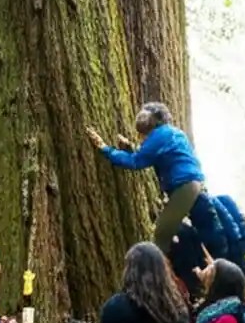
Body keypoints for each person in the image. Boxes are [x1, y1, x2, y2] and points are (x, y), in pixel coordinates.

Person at [87, 102, 205, 254]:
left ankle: (160, 270)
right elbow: (155, 156)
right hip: (191, 184)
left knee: (161, 233)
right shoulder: (173, 132)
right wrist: (132, 148)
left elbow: (136, 161)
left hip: (184, 186)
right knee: (173, 231)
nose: (142, 139)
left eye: (143, 135)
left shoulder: (159, 135)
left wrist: (106, 149)